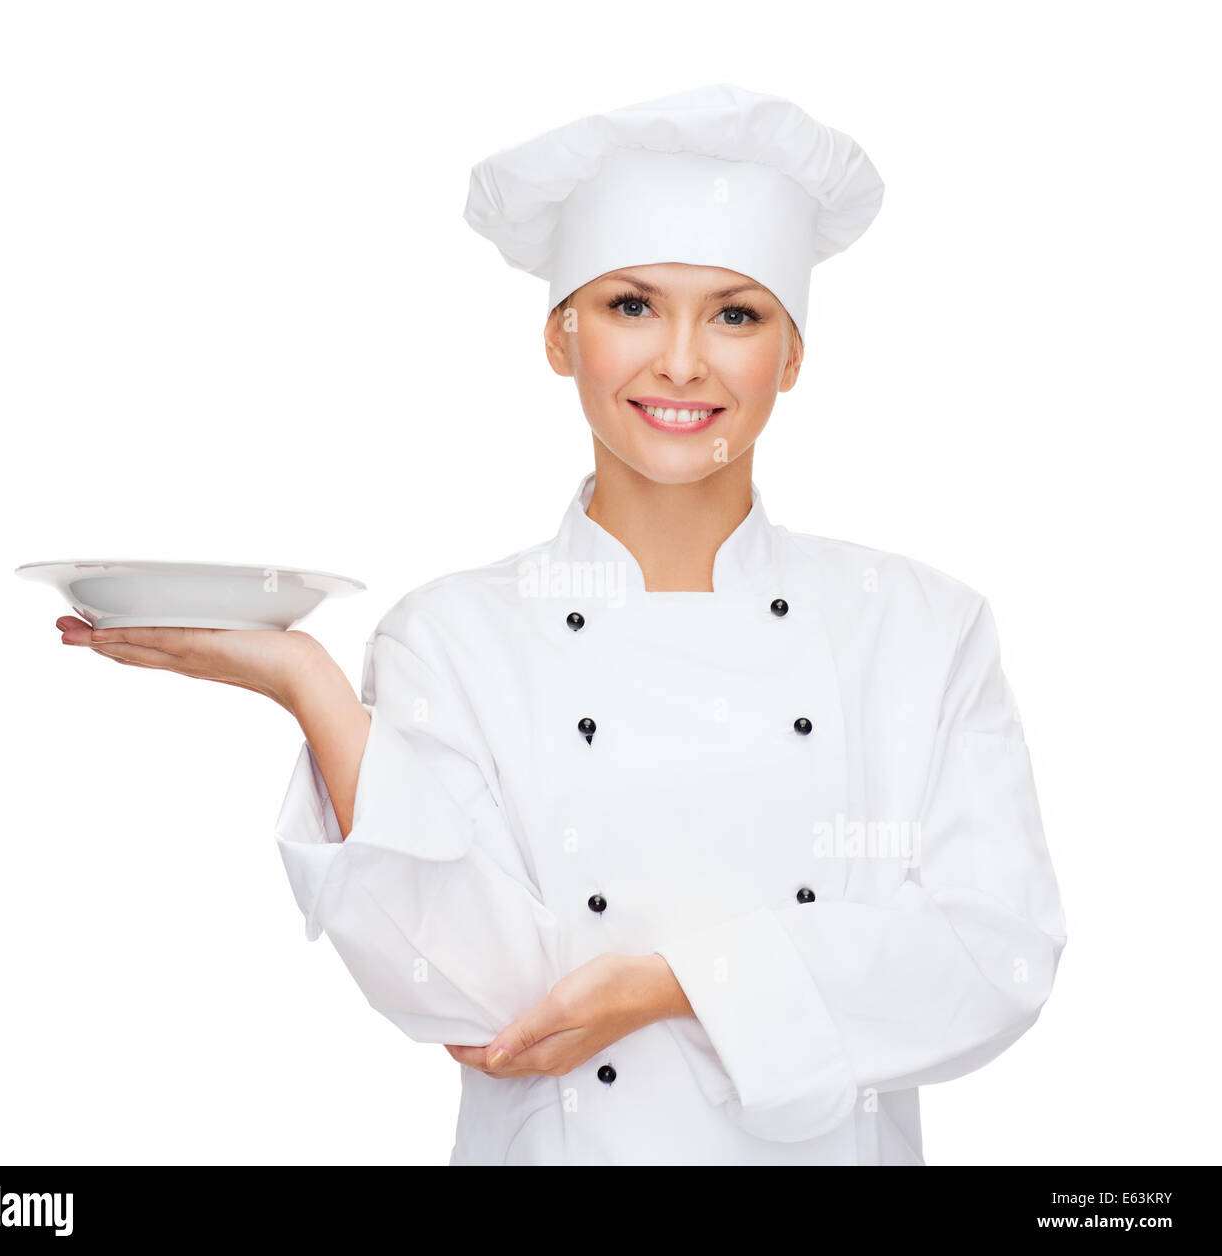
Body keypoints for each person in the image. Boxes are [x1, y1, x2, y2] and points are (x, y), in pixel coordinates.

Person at [57, 84, 1067, 1165]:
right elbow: (463, 989)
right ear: (558, 335)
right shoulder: (453, 634)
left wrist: (672, 983)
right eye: (631, 304)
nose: (681, 361)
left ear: (793, 354)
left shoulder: (918, 630)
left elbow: (989, 953)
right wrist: (309, 684)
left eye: (736, 312)